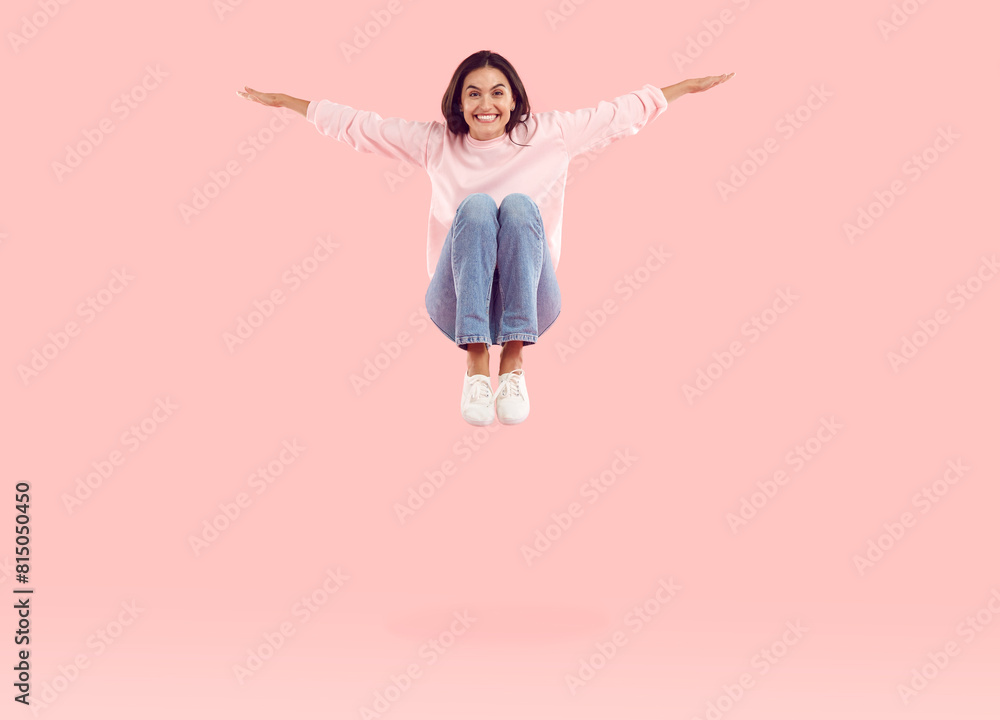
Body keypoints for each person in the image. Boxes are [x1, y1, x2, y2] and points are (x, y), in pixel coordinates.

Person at [237, 50, 733, 426]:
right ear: (459, 101)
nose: (486, 103)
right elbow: (361, 126)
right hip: (456, 301)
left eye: (497, 92)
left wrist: (685, 87)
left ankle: (513, 362)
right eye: (473, 93)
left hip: (532, 299)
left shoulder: (552, 134)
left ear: (514, 98)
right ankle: (477, 364)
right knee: (476, 208)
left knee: (517, 207)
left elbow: (622, 112)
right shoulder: (437, 142)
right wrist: (287, 103)